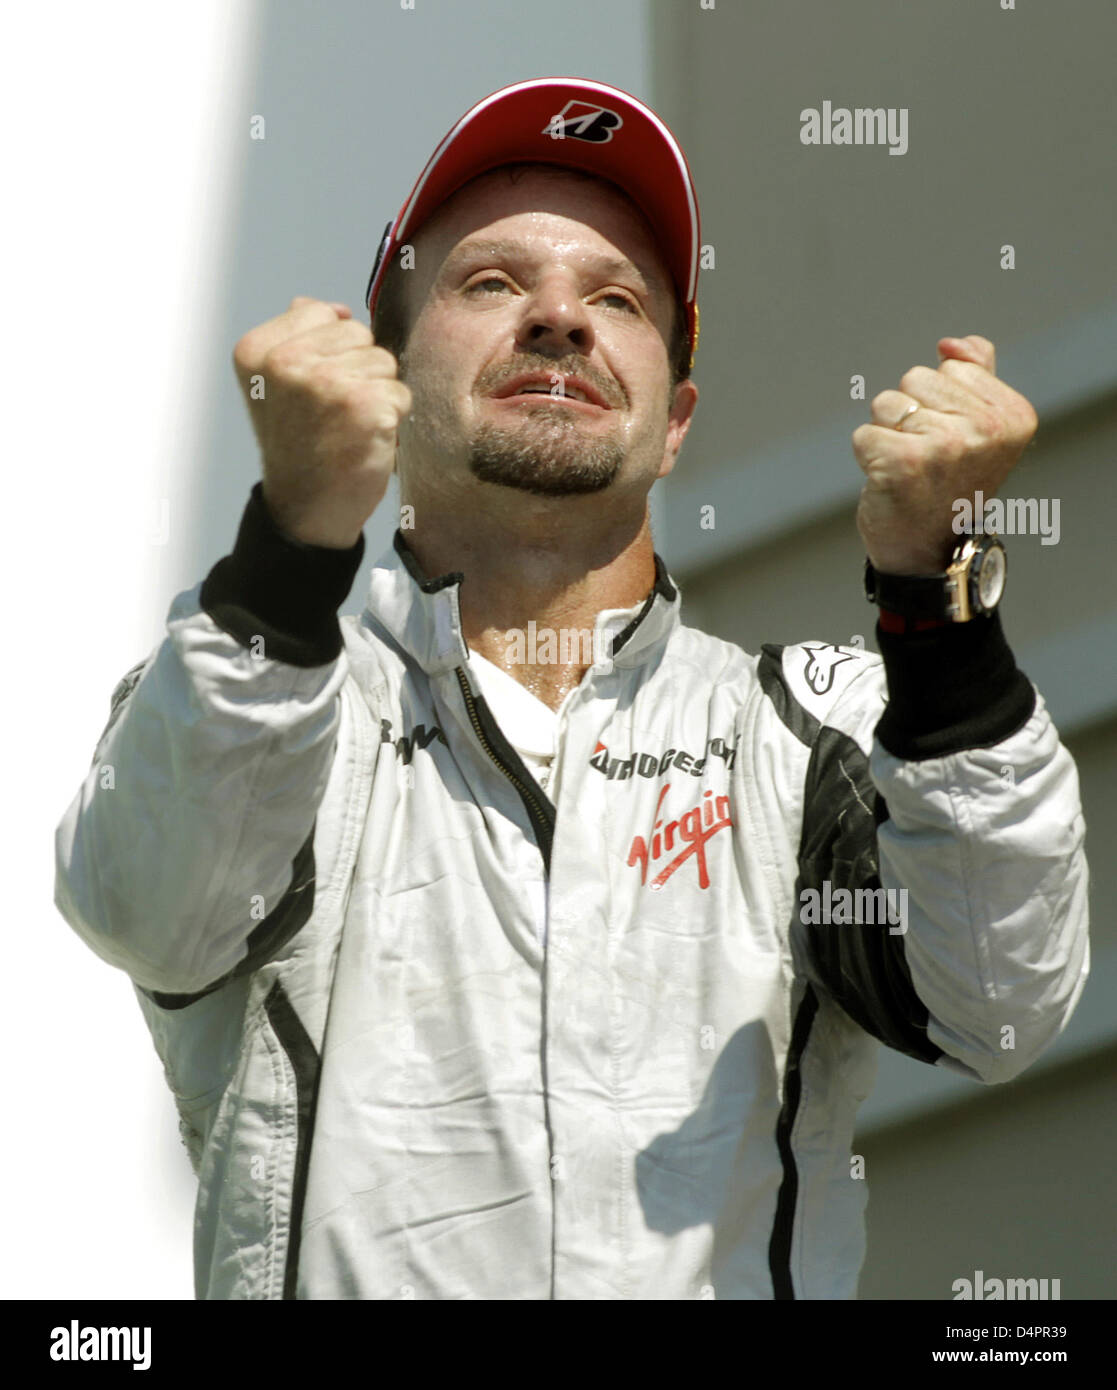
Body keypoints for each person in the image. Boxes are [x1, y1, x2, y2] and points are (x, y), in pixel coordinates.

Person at [54, 77, 1089, 1300]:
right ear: (381, 369)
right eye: (492, 283)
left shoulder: (817, 731)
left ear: (677, 424)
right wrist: (292, 541)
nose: (560, 319)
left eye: (617, 298)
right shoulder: (263, 695)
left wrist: (934, 597)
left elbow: (1002, 1006)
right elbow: (145, 901)